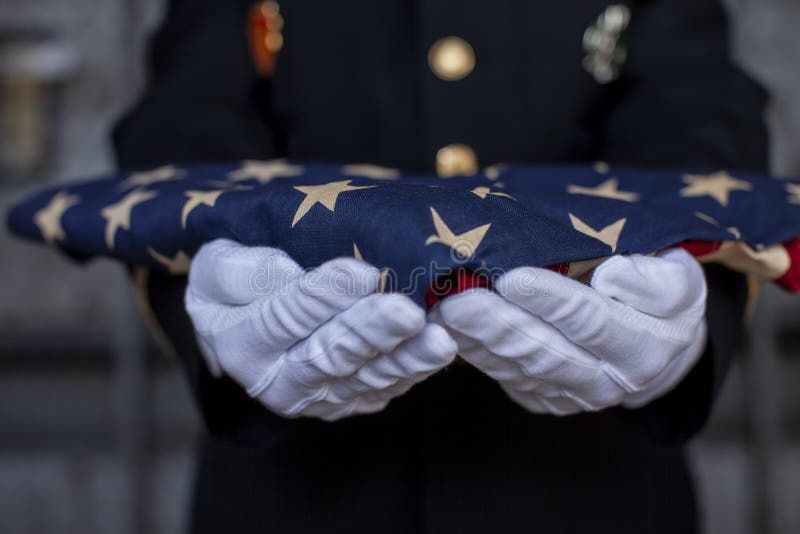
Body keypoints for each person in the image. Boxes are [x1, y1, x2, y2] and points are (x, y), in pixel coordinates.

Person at [112, 0, 769, 532]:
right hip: (297, 487)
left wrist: (683, 310)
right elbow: (187, 111)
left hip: (590, 486)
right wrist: (218, 281)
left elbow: (699, 111)